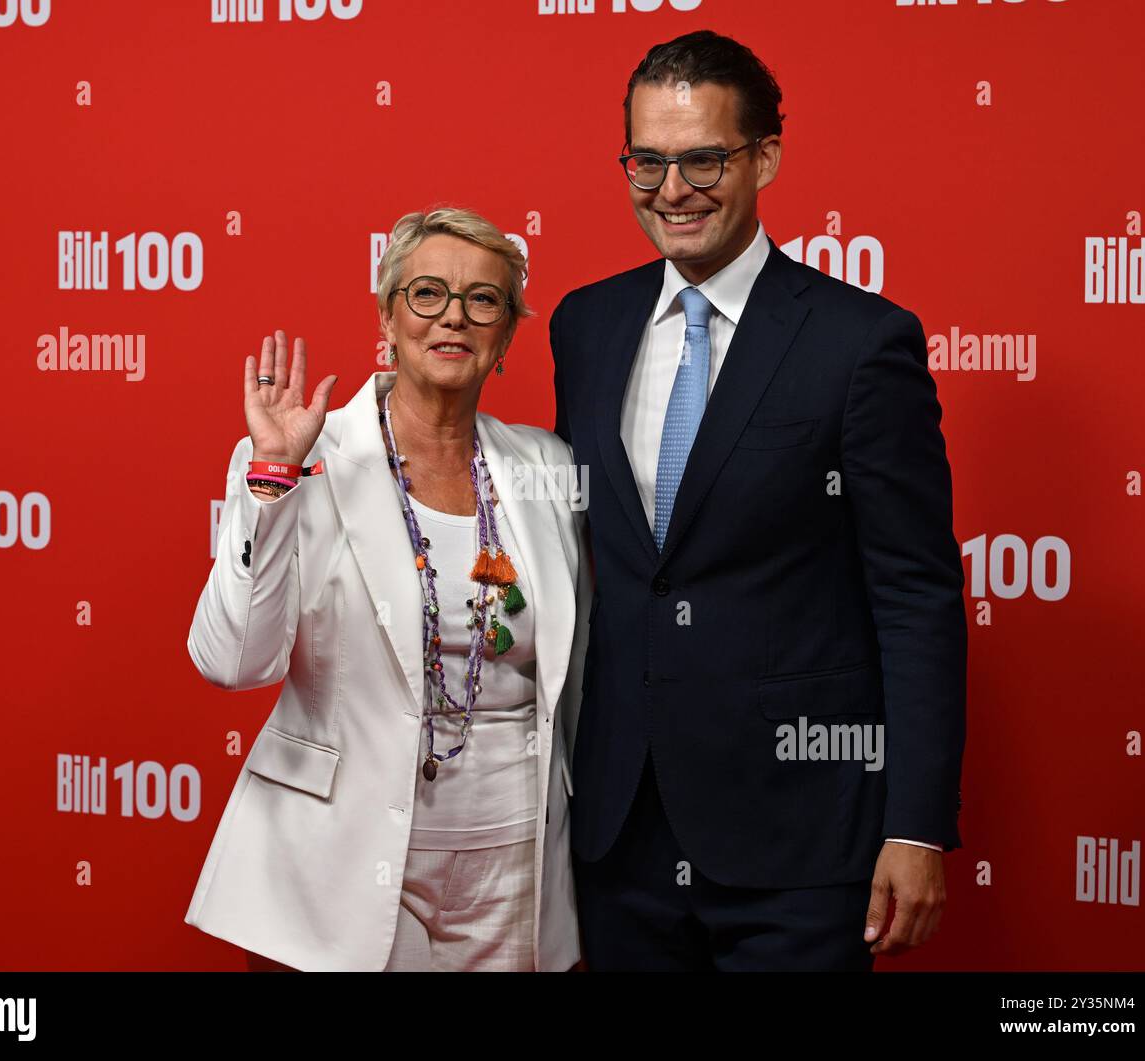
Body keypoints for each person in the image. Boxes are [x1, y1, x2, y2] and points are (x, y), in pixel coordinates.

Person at [549, 30, 967, 970]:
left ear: (765, 157)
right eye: (647, 161)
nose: (672, 189)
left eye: (703, 158)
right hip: (618, 835)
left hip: (801, 843)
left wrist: (917, 824)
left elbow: (916, 596)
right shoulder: (586, 324)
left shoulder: (861, 341)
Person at [184, 207, 589, 972]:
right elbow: (232, 661)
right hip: (339, 861)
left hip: (518, 865)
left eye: (484, 300)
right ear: (389, 315)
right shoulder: (305, 453)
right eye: (427, 293)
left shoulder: (549, 467)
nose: (453, 317)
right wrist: (273, 480)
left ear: (504, 337)